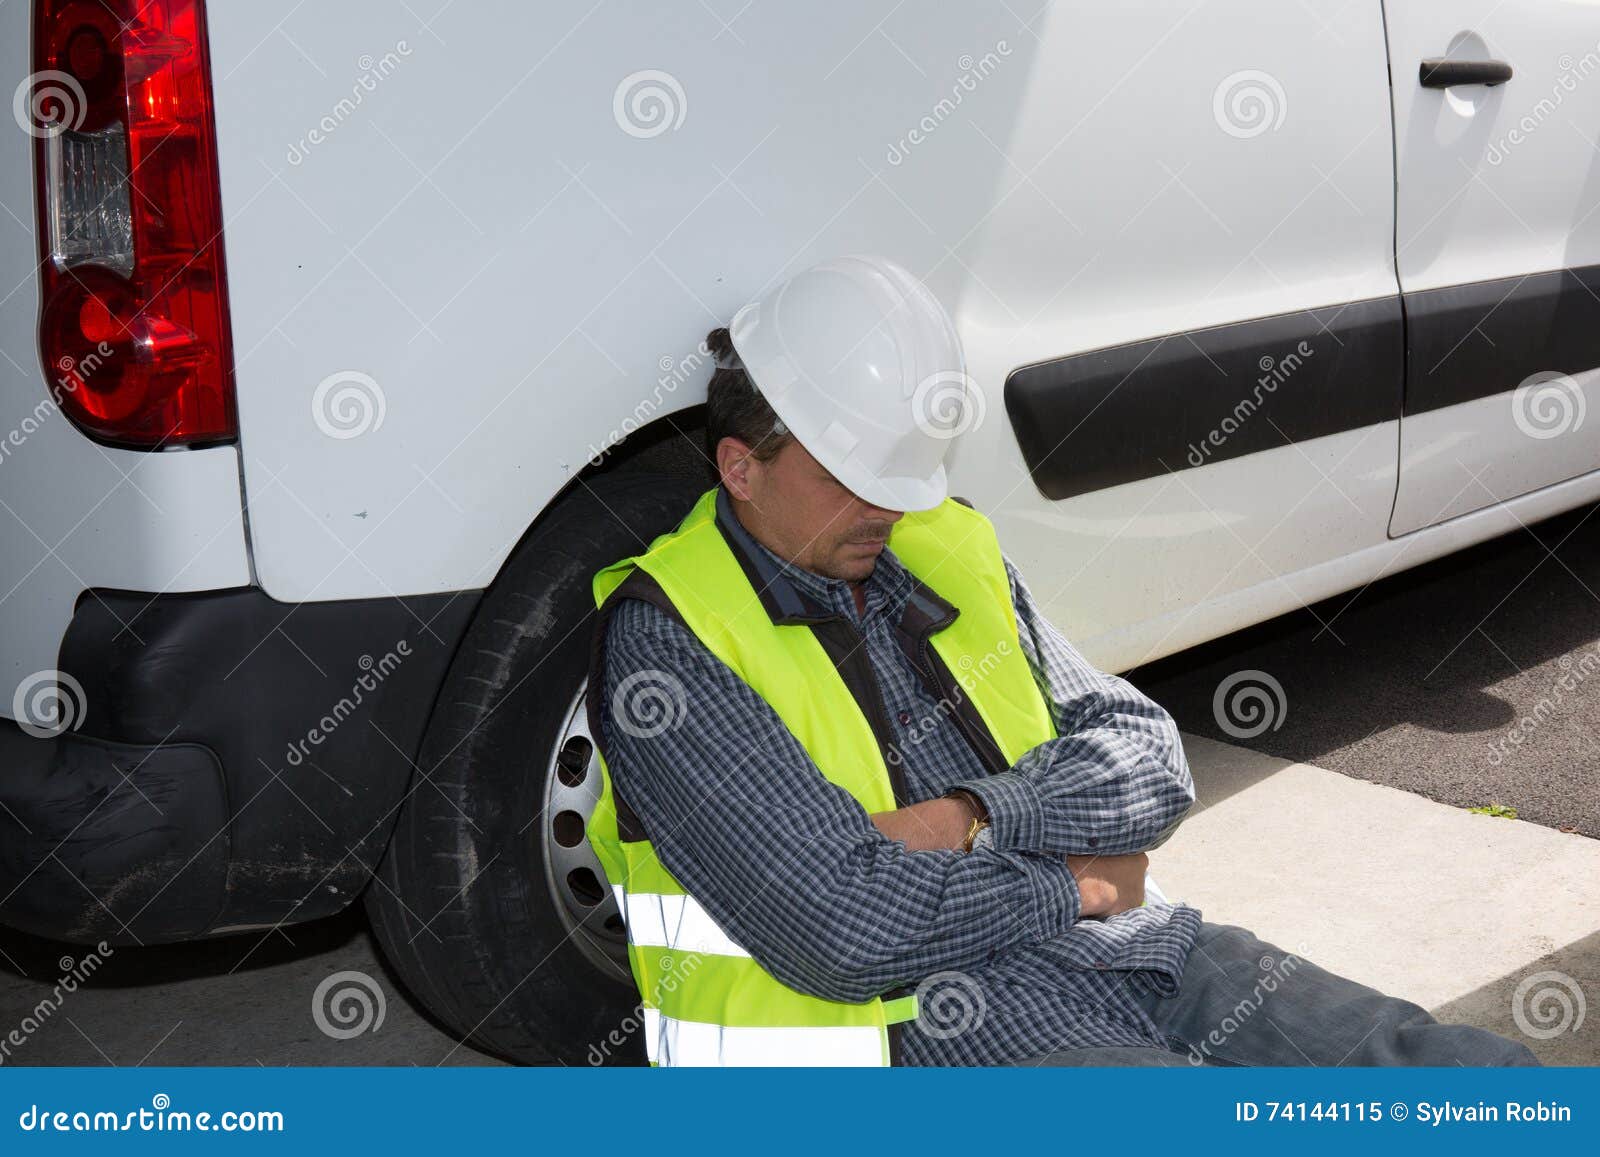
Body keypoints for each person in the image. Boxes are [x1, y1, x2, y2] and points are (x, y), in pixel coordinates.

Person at [583, 254, 1539, 1068]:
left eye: (900, 472)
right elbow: (844, 927)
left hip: (1136, 948)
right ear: (741, 467)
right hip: (928, 1026)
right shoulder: (668, 646)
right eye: (850, 477)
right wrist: (1072, 878)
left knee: (1474, 1079)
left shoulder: (945, 547)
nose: (885, 508)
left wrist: (972, 815)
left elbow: (1146, 755)